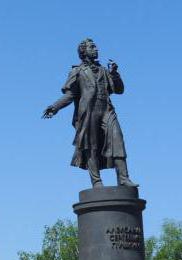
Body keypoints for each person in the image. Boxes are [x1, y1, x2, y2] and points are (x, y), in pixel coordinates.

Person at [43, 38, 137, 188]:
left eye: (95, 47)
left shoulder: (104, 71)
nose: (96, 49)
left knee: (117, 139)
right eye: (92, 47)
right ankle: (96, 181)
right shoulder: (77, 71)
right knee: (90, 146)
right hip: (88, 112)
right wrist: (54, 107)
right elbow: (70, 95)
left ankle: (124, 178)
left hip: (107, 109)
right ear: (83, 51)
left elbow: (119, 90)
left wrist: (115, 74)